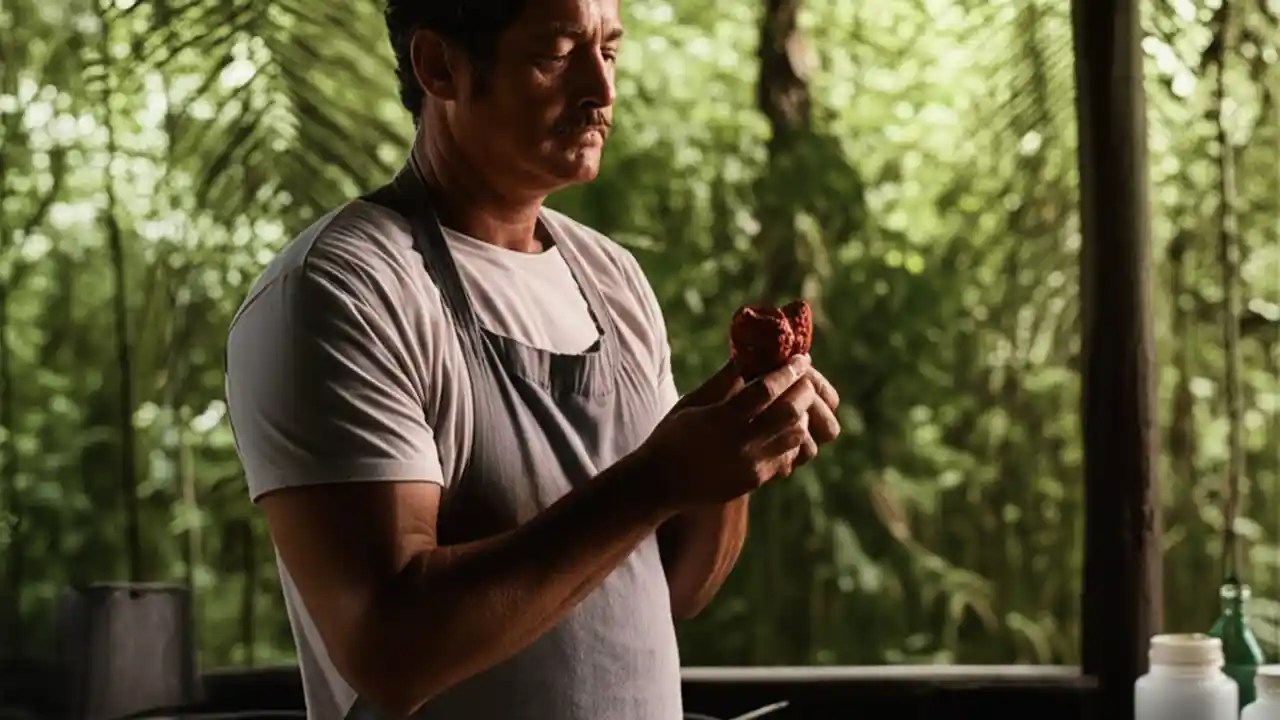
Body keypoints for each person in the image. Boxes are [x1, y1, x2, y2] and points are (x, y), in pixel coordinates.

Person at [223, 0, 841, 717]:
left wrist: (732, 453)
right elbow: (388, 647)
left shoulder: (613, 279)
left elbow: (669, 589)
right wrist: (659, 477)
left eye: (609, 52)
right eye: (556, 54)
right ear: (440, 67)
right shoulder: (344, 290)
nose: (601, 90)